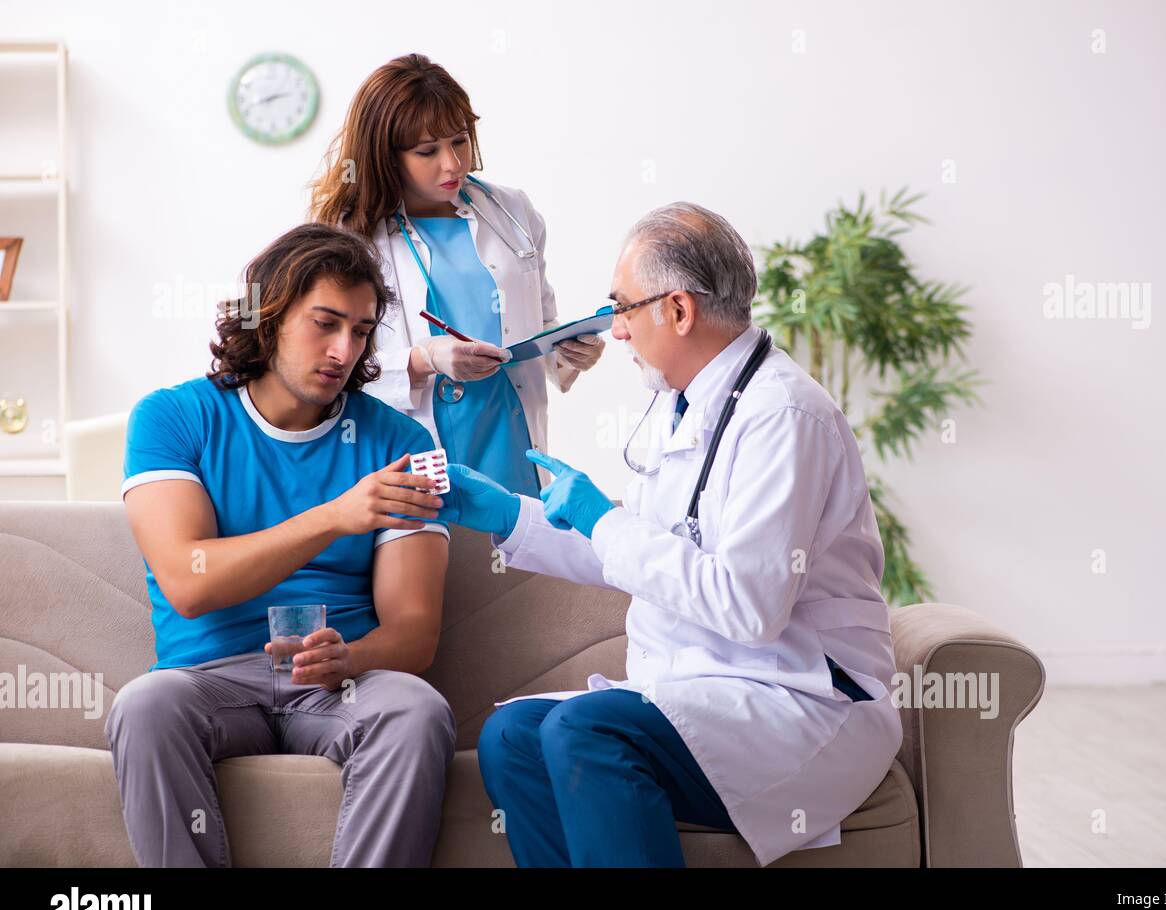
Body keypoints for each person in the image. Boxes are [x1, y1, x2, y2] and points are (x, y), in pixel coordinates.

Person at [438, 202, 904, 868]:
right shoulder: (678, 404)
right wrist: (508, 515)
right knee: (511, 734)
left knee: (586, 729)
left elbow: (747, 606)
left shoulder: (783, 416)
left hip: (800, 700)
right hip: (707, 689)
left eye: (623, 307)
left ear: (678, 310)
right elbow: (646, 552)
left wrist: (603, 516)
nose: (617, 330)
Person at [105, 223, 457, 867]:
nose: (344, 349)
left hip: (340, 682)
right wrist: (334, 517)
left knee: (415, 709)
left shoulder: (403, 444)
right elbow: (190, 581)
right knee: (145, 706)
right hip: (208, 680)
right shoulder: (172, 417)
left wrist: (349, 658)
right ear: (267, 317)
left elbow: (415, 633)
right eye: (325, 323)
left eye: (361, 329)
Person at [310, 53, 605, 497]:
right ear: (385, 155)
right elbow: (329, 362)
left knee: (514, 545)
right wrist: (424, 359)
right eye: (427, 151)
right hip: (412, 437)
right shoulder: (350, 236)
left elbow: (541, 322)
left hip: (509, 428)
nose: (452, 164)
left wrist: (568, 350)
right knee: (433, 548)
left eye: (460, 141)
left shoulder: (513, 211)